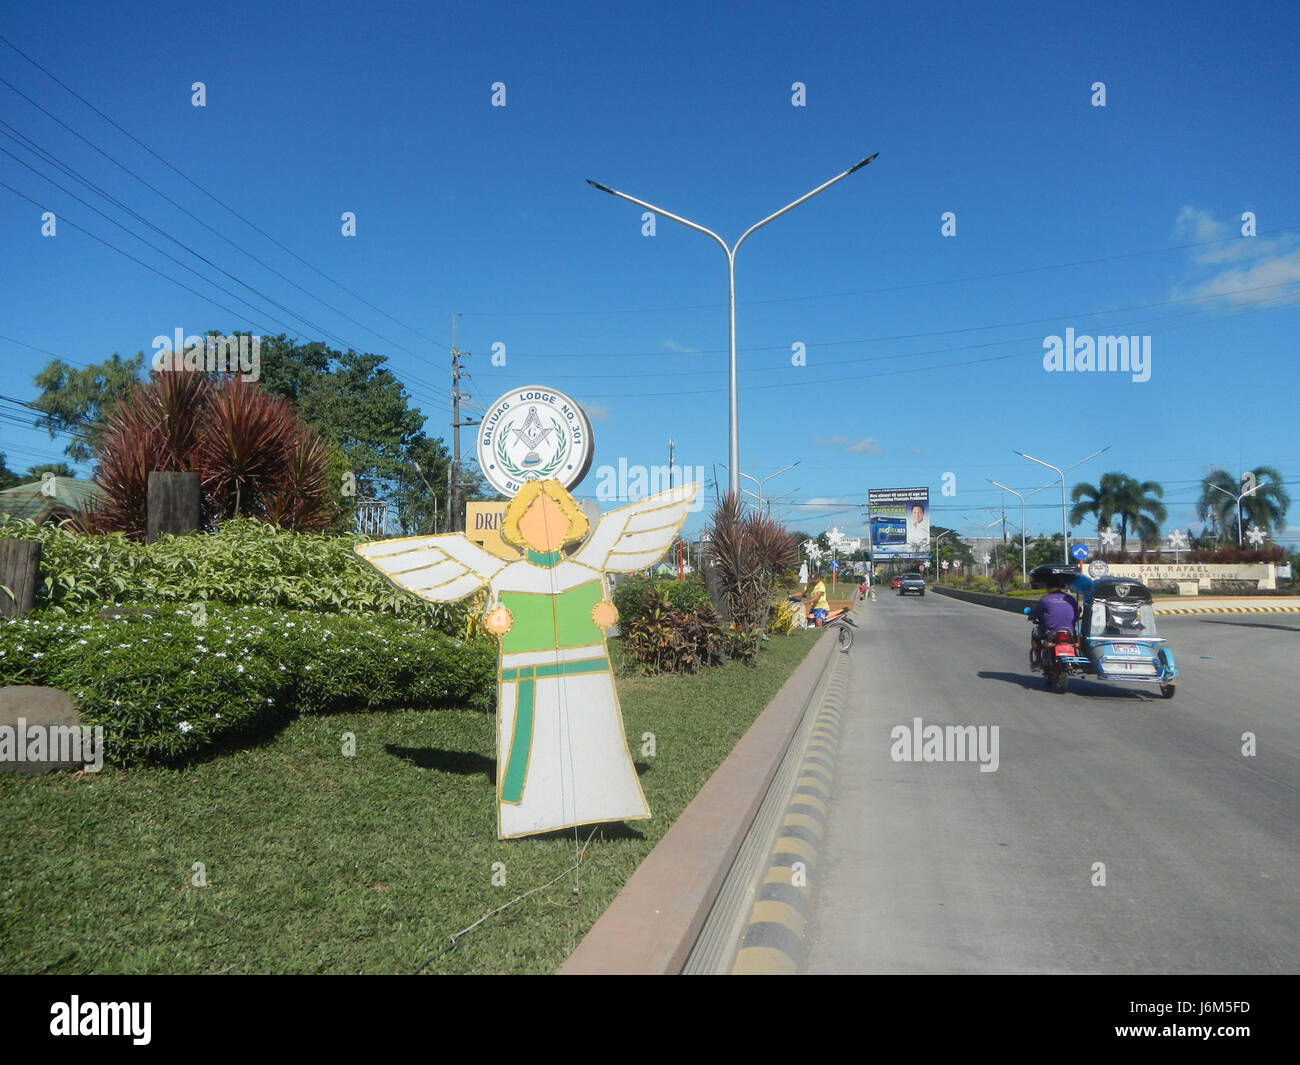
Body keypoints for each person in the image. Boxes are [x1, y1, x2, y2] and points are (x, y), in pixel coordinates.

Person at [1027, 581, 1079, 667]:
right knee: (1076, 639)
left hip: (1051, 631)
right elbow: (1077, 614)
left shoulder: (1045, 599)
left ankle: (1039, 659)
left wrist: (1030, 617)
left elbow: (1035, 614)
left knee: (1035, 633)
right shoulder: (1071, 599)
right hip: (1069, 631)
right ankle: (1076, 655)